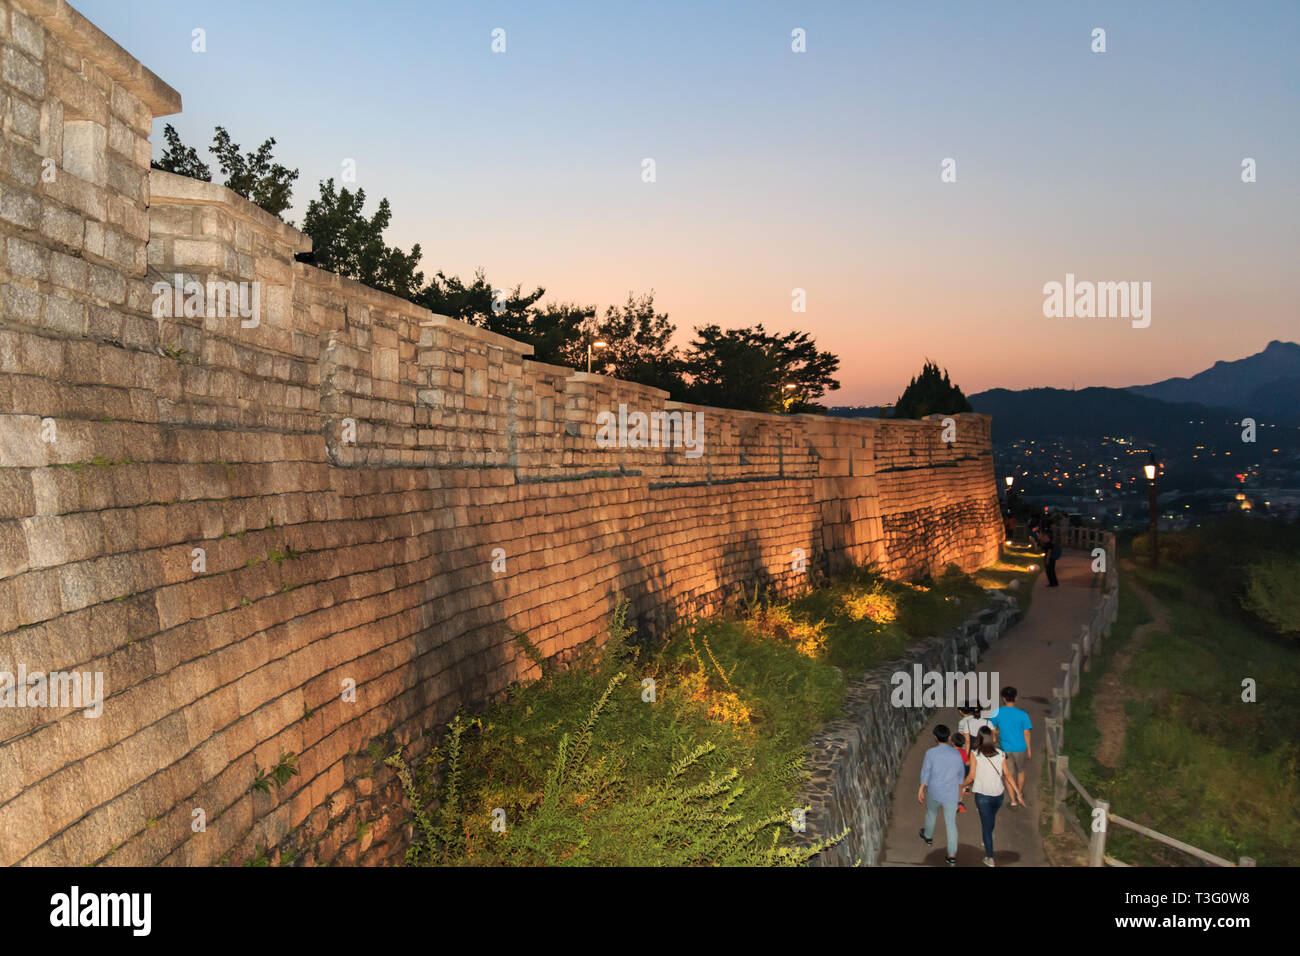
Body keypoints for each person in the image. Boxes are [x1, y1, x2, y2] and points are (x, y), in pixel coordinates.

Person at [964, 725, 1023, 867]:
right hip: (998, 796)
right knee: (990, 819)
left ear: (979, 738)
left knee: (986, 824)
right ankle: (988, 836)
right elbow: (1008, 775)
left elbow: (971, 776)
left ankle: (990, 858)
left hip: (982, 796)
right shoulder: (1000, 753)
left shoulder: (974, 753)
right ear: (992, 738)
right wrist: (1018, 793)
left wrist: (961, 785)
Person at [917, 724, 965, 865]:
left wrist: (921, 789)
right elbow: (960, 775)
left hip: (934, 791)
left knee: (931, 813)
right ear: (949, 737)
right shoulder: (957, 754)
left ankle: (928, 836)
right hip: (951, 793)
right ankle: (951, 855)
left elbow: (926, 772)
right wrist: (960, 791)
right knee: (951, 823)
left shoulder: (930, 753)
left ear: (935, 737)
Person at [988, 686, 1033, 807]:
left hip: (1005, 748)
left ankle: (1013, 800)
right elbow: (1027, 733)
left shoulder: (997, 712)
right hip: (1020, 748)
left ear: (1003, 698)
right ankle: (1020, 792)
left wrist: (994, 736)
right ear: (1016, 698)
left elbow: (990, 726)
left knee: (1008, 774)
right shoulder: (1023, 714)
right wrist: (1029, 750)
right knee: (1021, 771)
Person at [950, 732, 970, 812]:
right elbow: (967, 762)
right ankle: (959, 802)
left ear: (952, 743)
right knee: (960, 788)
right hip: (960, 774)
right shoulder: (963, 752)